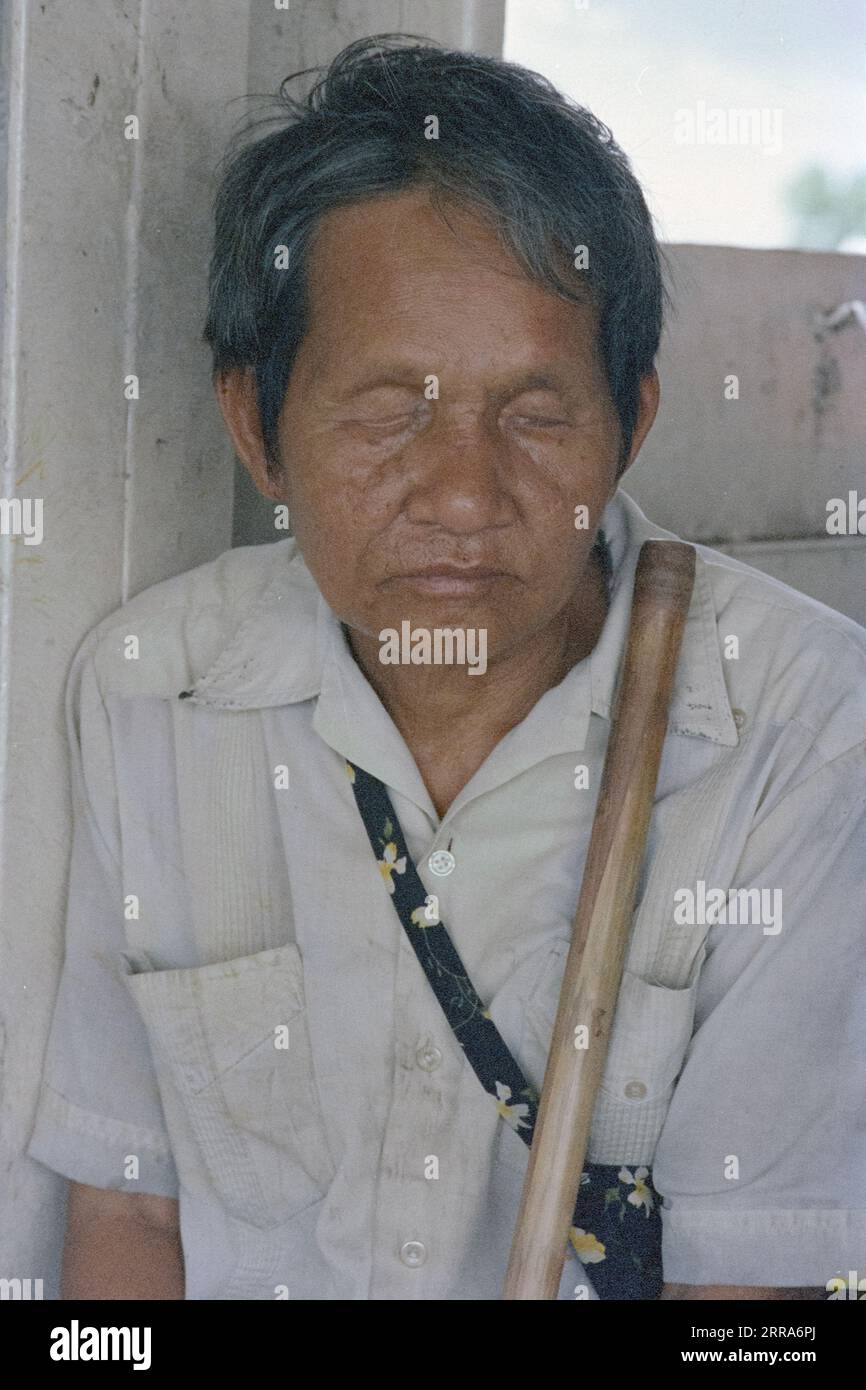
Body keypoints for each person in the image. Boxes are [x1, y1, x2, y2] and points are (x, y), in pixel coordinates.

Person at [28, 35, 866, 1301]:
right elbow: (128, 1216)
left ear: (627, 426)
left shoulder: (800, 732)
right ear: (256, 425)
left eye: (534, 417)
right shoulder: (155, 692)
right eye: (385, 412)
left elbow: (750, 1302)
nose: (464, 496)